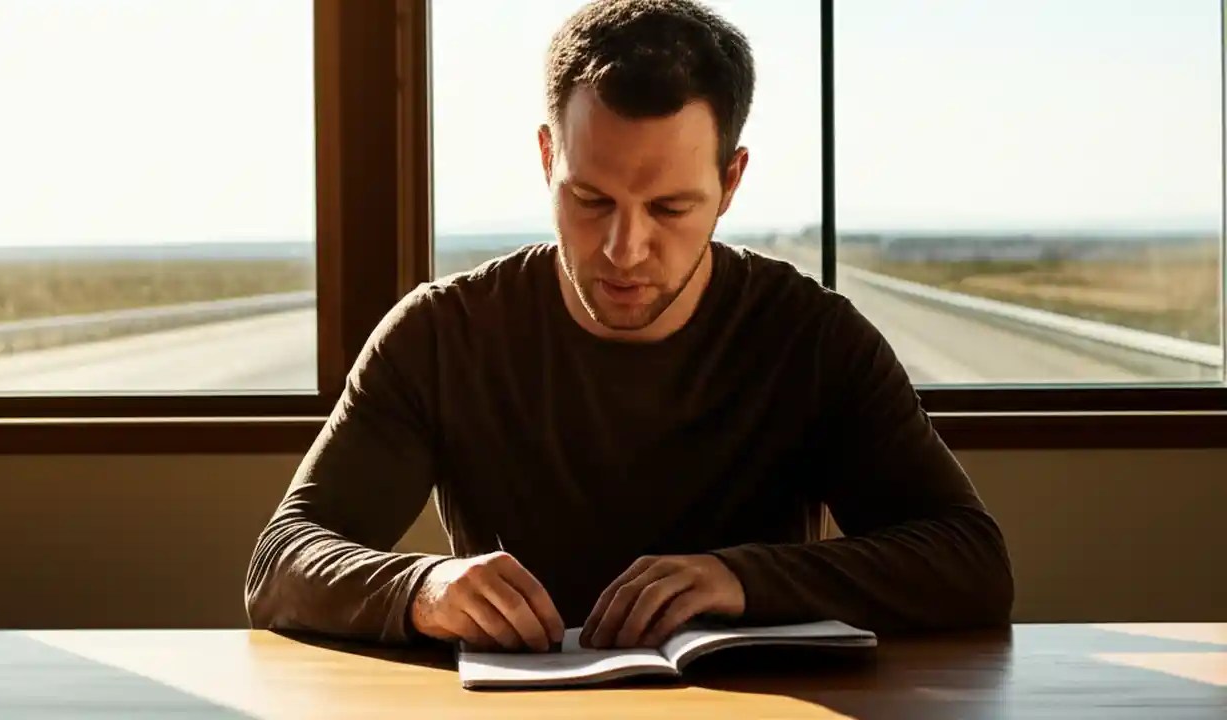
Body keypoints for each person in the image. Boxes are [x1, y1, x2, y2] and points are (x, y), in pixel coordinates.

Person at [245, 0, 1013, 653]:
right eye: (591, 199)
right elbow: (279, 563)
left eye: (671, 209)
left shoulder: (812, 338)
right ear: (548, 156)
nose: (624, 249)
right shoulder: (443, 334)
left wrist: (742, 578)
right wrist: (423, 586)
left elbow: (972, 564)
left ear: (731, 181)